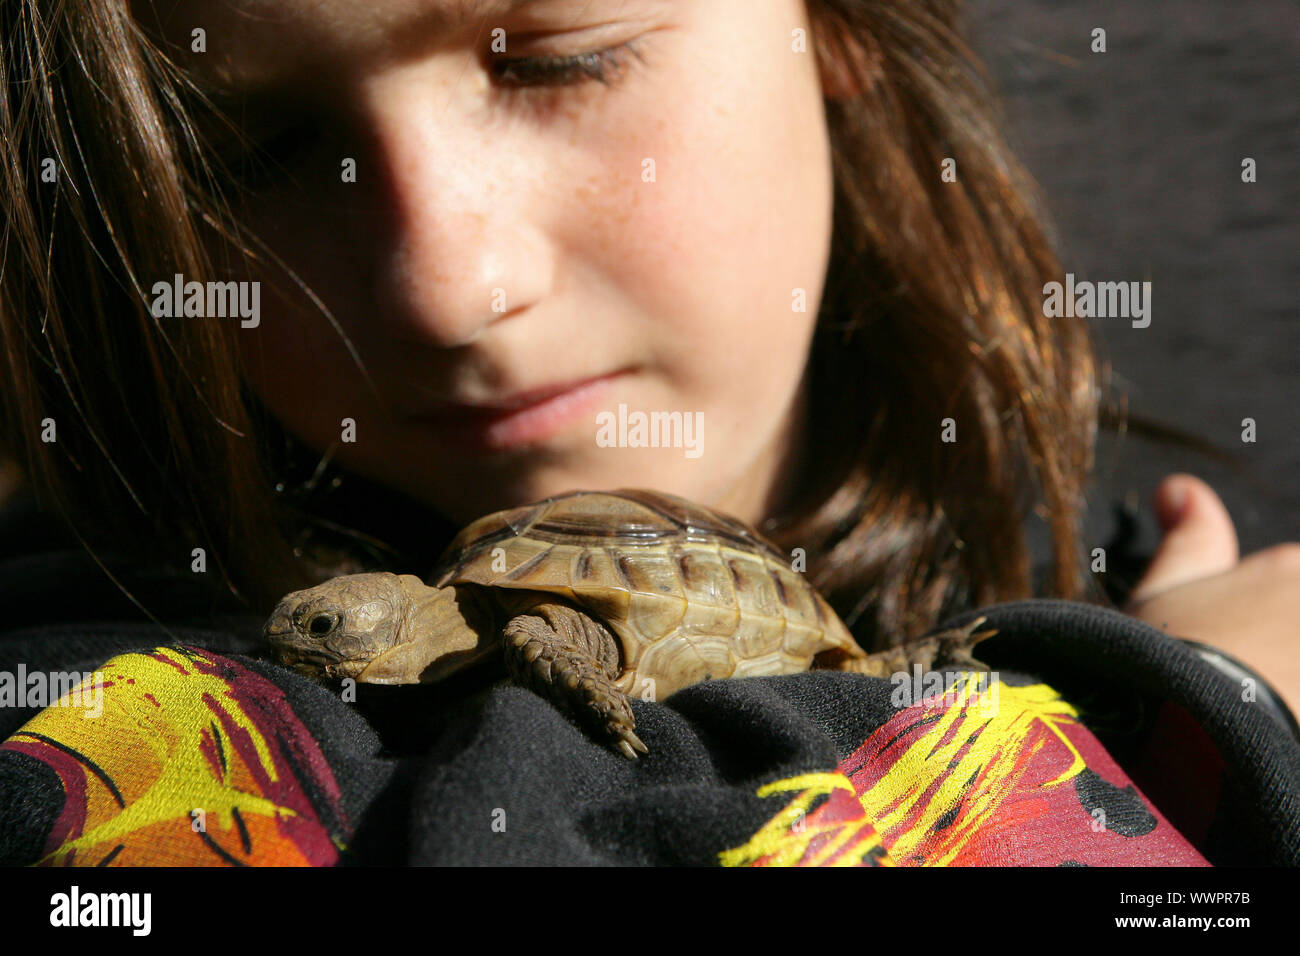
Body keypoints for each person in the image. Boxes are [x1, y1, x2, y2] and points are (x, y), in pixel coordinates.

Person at [0, 0, 1295, 867]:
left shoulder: (1070, 565)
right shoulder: (90, 672)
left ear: (839, 23)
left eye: (560, 58)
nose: (449, 287)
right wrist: (1164, 730)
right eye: (257, 148)